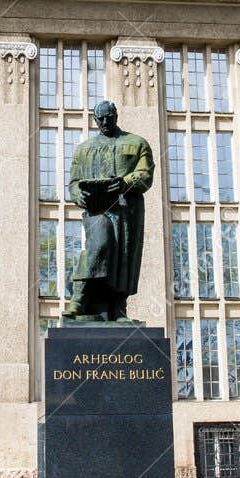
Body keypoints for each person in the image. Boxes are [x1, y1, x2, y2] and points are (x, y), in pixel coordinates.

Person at [64, 100, 155, 321]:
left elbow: (146, 174)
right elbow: (74, 182)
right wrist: (78, 195)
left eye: (109, 117)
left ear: (116, 116)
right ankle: (79, 298)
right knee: (99, 244)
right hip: (97, 211)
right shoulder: (84, 149)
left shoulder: (136, 143)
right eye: (100, 118)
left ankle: (118, 309)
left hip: (126, 210)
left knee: (122, 258)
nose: (105, 122)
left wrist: (125, 182)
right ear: (95, 120)